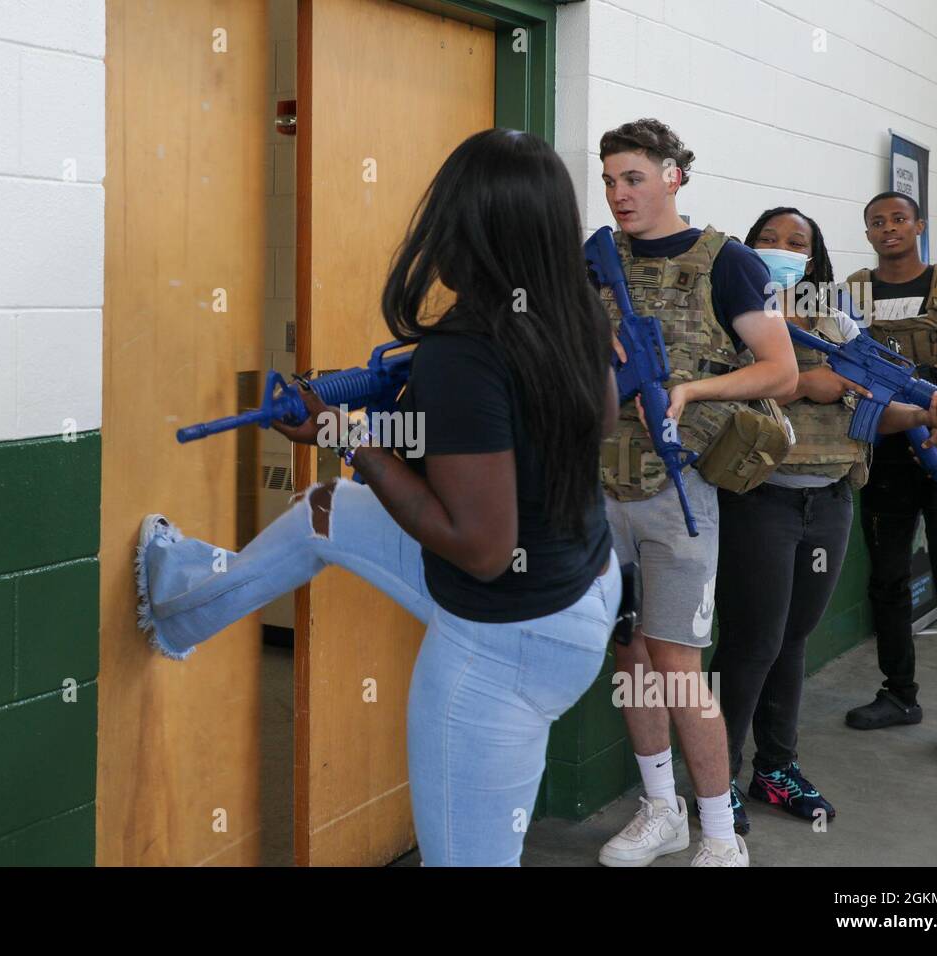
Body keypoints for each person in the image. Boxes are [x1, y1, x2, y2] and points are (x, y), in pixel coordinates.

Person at [134, 128, 621, 866]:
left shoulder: (465, 352)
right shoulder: (575, 314)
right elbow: (540, 434)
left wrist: (352, 436)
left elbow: (483, 548)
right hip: (579, 592)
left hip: (502, 637)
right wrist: (380, 426)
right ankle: (184, 603)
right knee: (325, 511)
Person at [712, 207, 937, 834]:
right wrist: (805, 381)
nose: (782, 250)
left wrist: (931, 415)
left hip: (827, 497)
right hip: (759, 495)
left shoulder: (837, 320)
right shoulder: (735, 311)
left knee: (792, 642)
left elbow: (873, 411)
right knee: (751, 644)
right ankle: (717, 781)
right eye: (768, 240)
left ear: (815, 257)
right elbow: (712, 386)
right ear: (747, 249)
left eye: (797, 242)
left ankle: (776, 767)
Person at [589, 118, 798, 868]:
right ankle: (659, 811)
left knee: (678, 664)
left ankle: (718, 832)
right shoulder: (595, 258)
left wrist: (689, 390)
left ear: (673, 175)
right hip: (600, 485)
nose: (619, 194)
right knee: (632, 661)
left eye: (634, 178)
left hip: (677, 494)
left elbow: (781, 370)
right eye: (610, 179)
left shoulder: (726, 261)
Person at [844, 191, 937, 761]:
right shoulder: (853, 293)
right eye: (877, 223)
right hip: (883, 455)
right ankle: (898, 693)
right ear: (867, 233)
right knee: (886, 580)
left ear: (919, 225)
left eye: (899, 219)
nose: (889, 230)